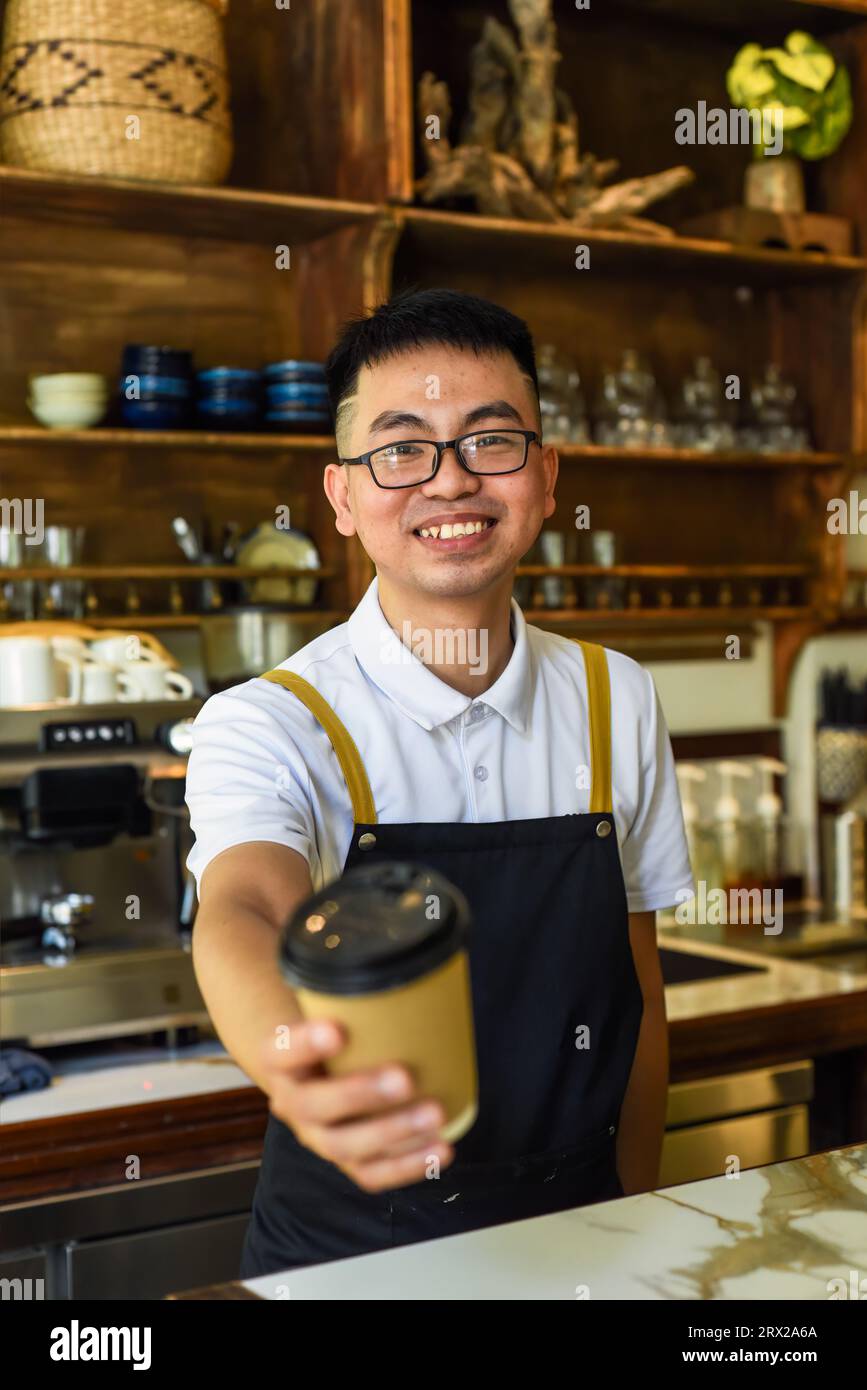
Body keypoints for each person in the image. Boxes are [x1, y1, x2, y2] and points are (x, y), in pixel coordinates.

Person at [185, 288, 694, 1277]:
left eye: (491, 442)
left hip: (583, 1244)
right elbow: (244, 906)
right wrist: (299, 1062)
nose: (451, 480)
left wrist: (634, 1215)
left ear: (546, 477)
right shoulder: (271, 719)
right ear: (342, 497)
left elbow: (637, 986)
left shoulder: (616, 697)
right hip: (349, 1261)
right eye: (401, 449)